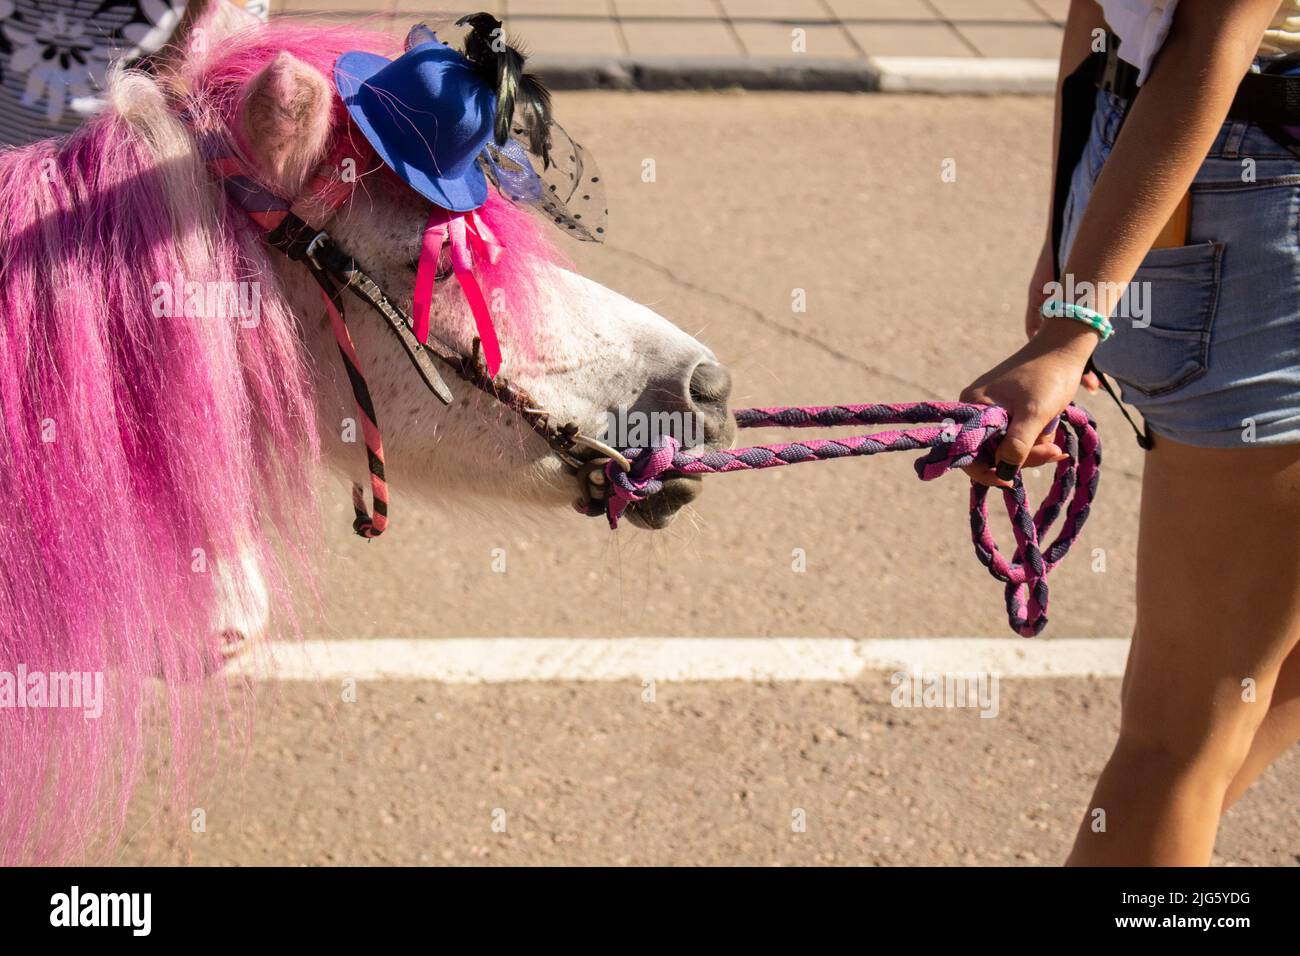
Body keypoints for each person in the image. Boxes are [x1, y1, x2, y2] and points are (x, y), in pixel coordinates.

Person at [960, 0, 1300, 866]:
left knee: (1214, 714)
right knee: (1180, 735)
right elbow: (1204, 49)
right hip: (1255, 199)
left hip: (1186, 185)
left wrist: (1066, 266)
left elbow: (1099, 22)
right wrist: (1073, 321)